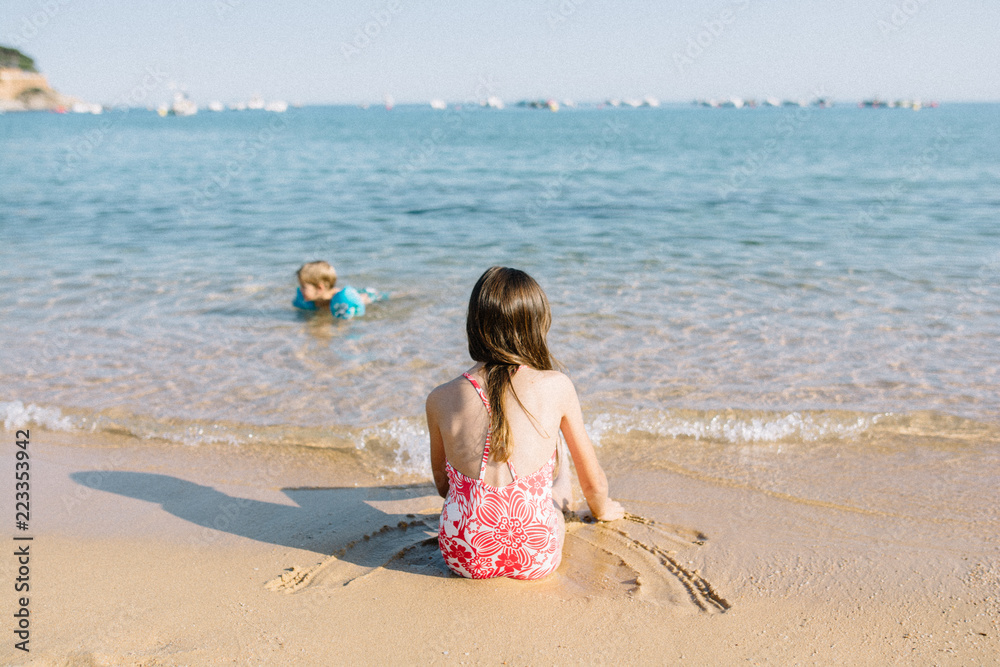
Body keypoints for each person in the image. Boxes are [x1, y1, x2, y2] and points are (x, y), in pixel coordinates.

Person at [426, 266, 624, 580]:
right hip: (535, 553)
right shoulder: (557, 386)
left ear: (473, 324)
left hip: (463, 557)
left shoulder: (440, 397)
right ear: (537, 325)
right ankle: (558, 483)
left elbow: (443, 486)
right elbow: (593, 483)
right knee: (559, 477)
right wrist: (604, 509)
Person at [293, 260, 384, 319]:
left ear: (320, 288)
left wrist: (361, 300)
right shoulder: (312, 302)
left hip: (371, 295)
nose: (300, 290)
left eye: (304, 287)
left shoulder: (341, 301)